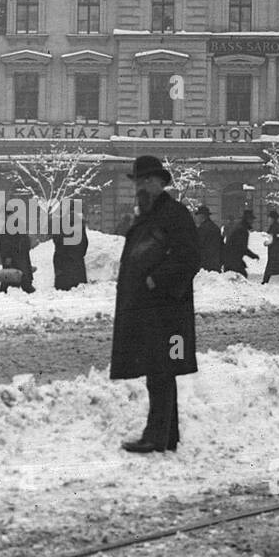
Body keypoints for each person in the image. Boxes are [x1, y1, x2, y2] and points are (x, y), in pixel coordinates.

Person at [110, 155, 200, 455]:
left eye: (140, 182)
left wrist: (156, 280)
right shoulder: (149, 216)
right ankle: (166, 435)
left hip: (165, 309)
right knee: (159, 371)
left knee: (160, 372)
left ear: (153, 182)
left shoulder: (173, 214)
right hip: (149, 309)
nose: (137, 188)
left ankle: (156, 436)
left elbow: (189, 257)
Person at [52, 205, 89, 290]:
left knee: (63, 291)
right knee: (78, 291)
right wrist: (80, 254)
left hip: (63, 263)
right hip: (77, 263)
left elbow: (57, 240)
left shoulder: (60, 223)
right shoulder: (79, 224)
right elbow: (85, 243)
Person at [0, 222, 36, 294]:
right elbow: (4, 243)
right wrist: (7, 256)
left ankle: (27, 287)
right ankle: (3, 291)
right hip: (14, 257)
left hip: (19, 256)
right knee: (11, 273)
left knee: (19, 273)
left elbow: (25, 240)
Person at [222, 213, 260, 278]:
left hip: (231, 258)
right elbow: (242, 248)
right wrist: (253, 255)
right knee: (241, 276)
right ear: (247, 220)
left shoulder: (239, 227)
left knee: (237, 277)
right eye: (251, 220)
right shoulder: (242, 230)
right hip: (233, 259)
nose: (253, 222)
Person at [194, 205, 223, 273]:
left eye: (197, 215)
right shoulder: (215, 227)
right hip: (215, 263)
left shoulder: (202, 229)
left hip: (205, 264)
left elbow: (198, 245)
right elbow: (221, 245)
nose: (196, 218)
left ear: (202, 216)